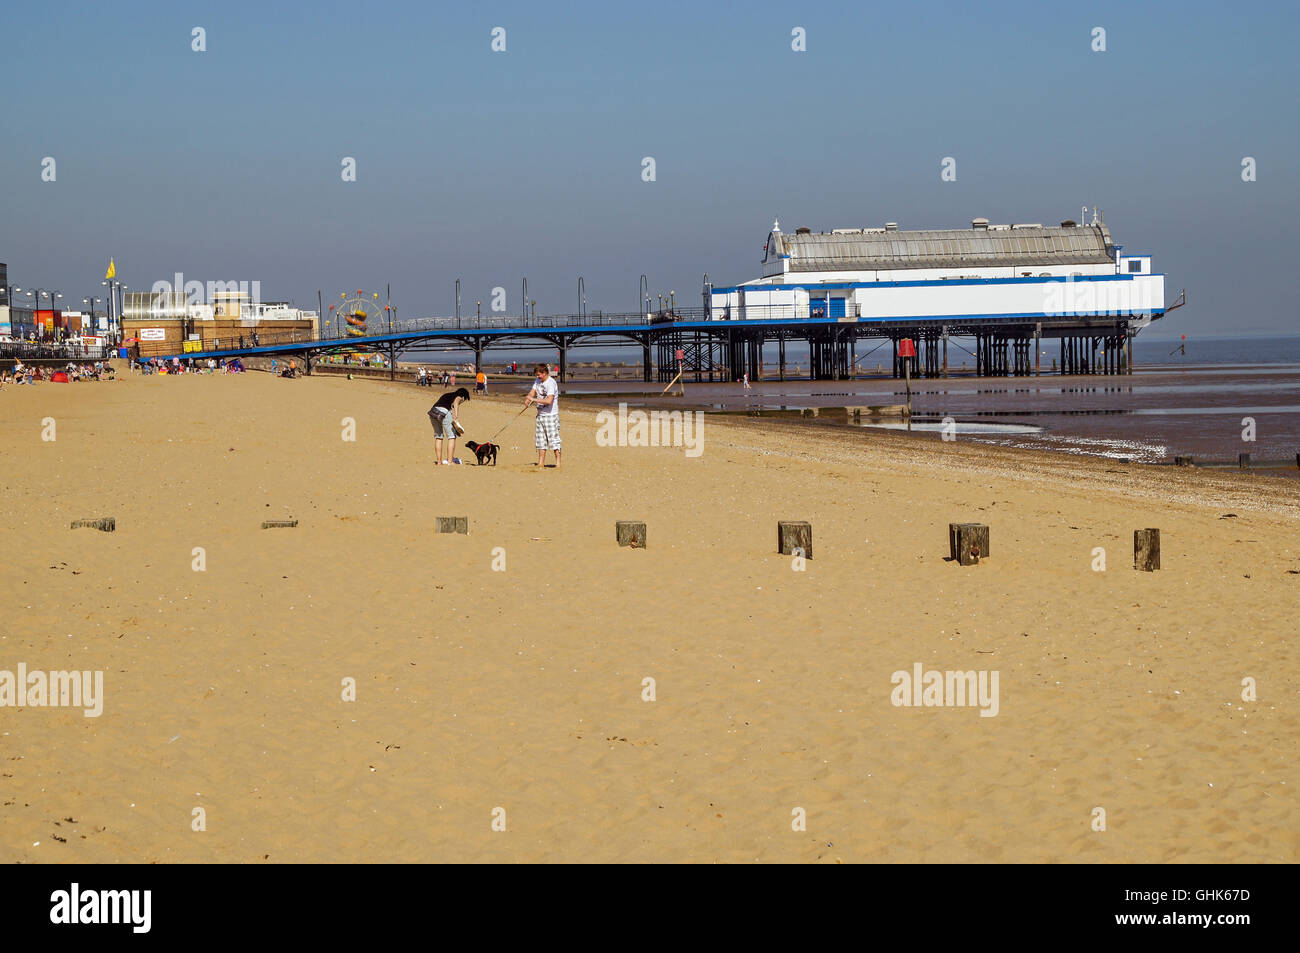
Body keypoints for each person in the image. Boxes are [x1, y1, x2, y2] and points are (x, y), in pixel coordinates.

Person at [524, 362, 561, 467]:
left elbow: (549, 400)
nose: (538, 376)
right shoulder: (537, 381)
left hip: (551, 415)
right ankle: (541, 463)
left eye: (539, 374)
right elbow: (532, 391)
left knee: (554, 440)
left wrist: (533, 399)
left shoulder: (551, 383)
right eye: (537, 375)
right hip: (540, 415)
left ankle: (558, 463)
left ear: (544, 373)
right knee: (540, 440)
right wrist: (528, 399)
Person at [428, 386, 470, 465]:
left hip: (433, 412)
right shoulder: (458, 396)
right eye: (464, 400)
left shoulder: (447, 395)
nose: (462, 401)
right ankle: (450, 461)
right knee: (452, 437)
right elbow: (456, 402)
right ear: (463, 397)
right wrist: (456, 415)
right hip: (444, 412)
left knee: (438, 437)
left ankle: (439, 462)